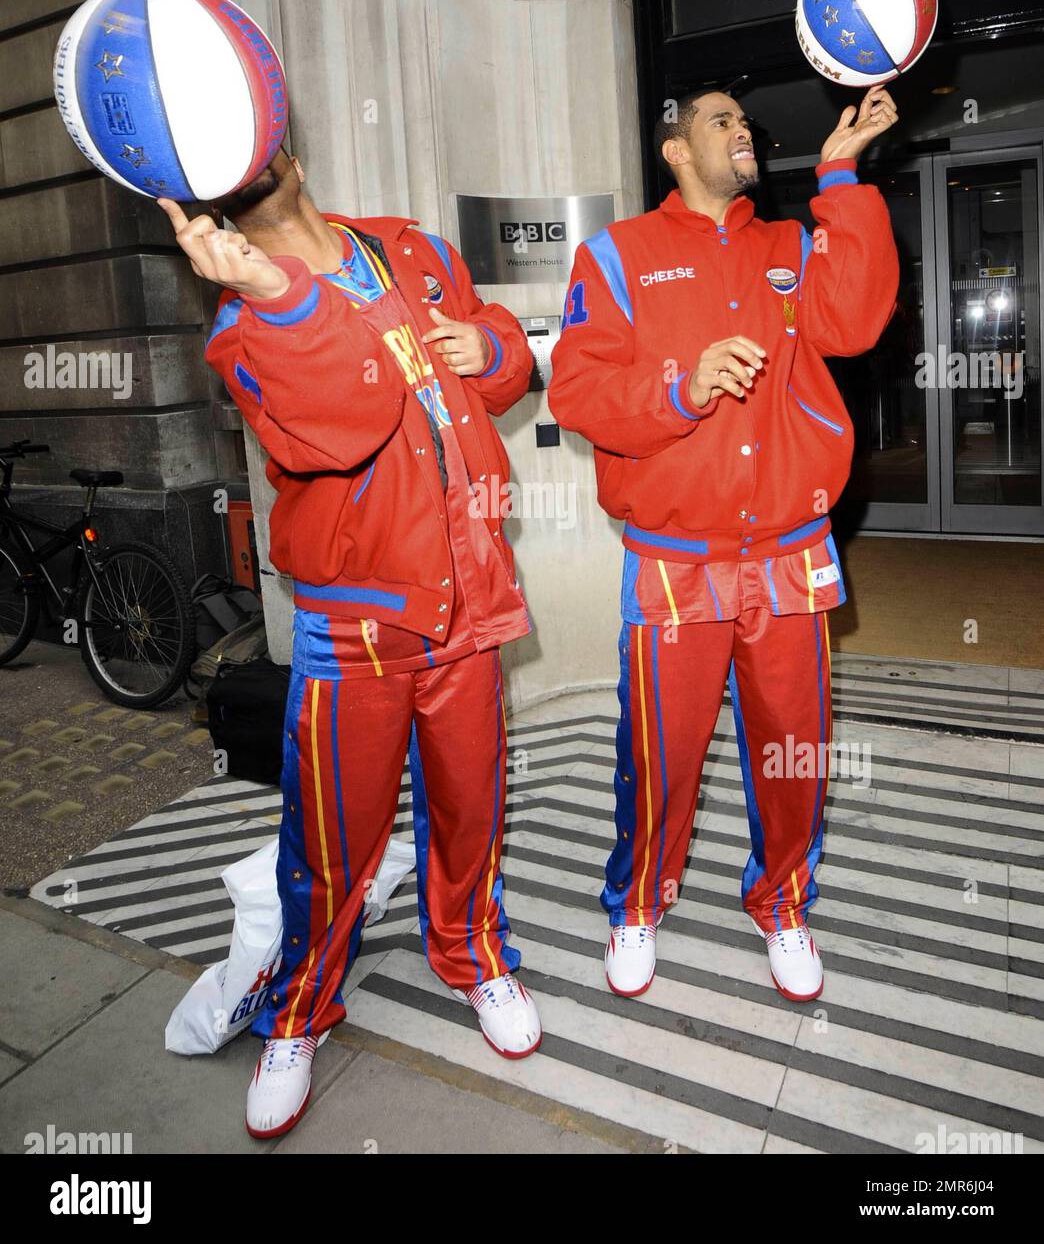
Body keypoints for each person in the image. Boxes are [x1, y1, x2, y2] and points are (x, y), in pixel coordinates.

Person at [159, 145, 541, 1140]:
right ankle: (299, 1009)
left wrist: (491, 349)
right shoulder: (246, 327)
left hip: (468, 594)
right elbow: (341, 424)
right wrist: (282, 294)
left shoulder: (407, 247)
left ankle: (473, 954)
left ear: (280, 146)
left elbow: (503, 364)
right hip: (353, 625)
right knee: (333, 840)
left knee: (472, 804)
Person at [548, 86, 899, 1002]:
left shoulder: (789, 246)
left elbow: (857, 320)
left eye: (746, 123)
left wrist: (841, 176)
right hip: (675, 558)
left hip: (788, 543)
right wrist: (680, 385)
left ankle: (784, 902)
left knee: (795, 743)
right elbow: (577, 395)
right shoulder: (616, 255)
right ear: (674, 149)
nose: (743, 132)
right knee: (662, 749)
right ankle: (638, 903)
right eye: (720, 121)